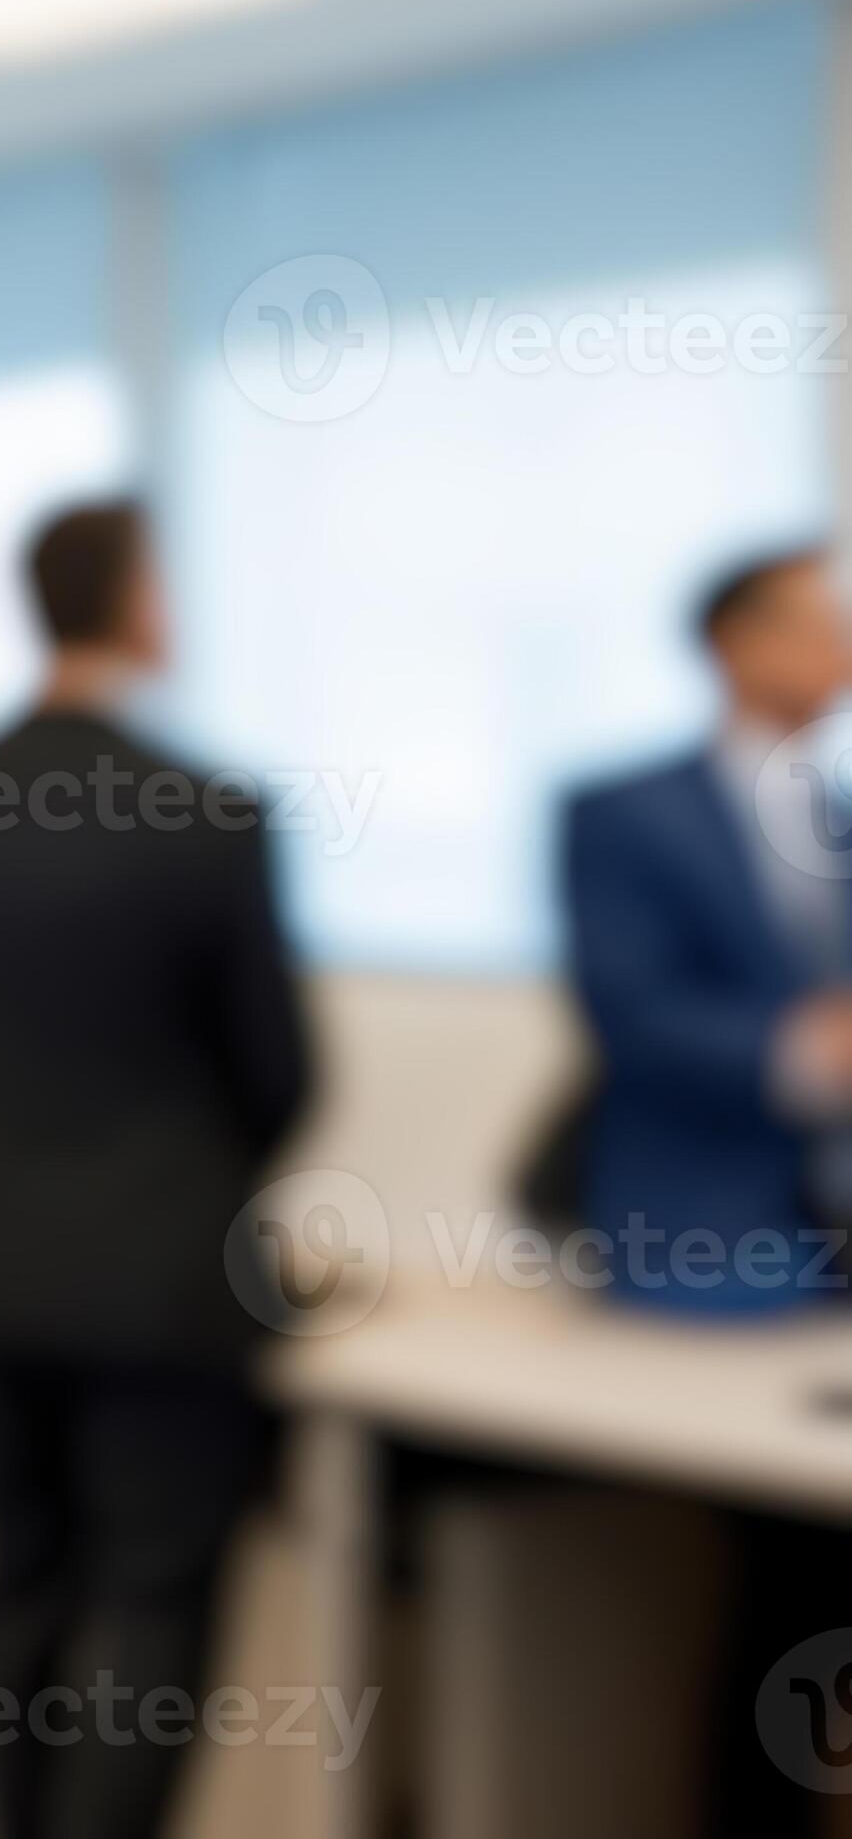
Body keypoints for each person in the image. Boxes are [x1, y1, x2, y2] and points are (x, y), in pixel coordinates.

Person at [0, 499, 309, 1839]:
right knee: (154, 1603)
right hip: (167, 1280)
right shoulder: (209, 812)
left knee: (24, 1581)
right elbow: (278, 1071)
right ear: (137, 602)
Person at [560, 544, 852, 1837]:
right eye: (818, 620)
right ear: (737, 643)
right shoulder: (621, 810)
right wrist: (805, 1050)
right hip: (705, 1240)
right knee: (782, 1576)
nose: (843, 644)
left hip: (832, 1245)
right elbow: (631, 1018)